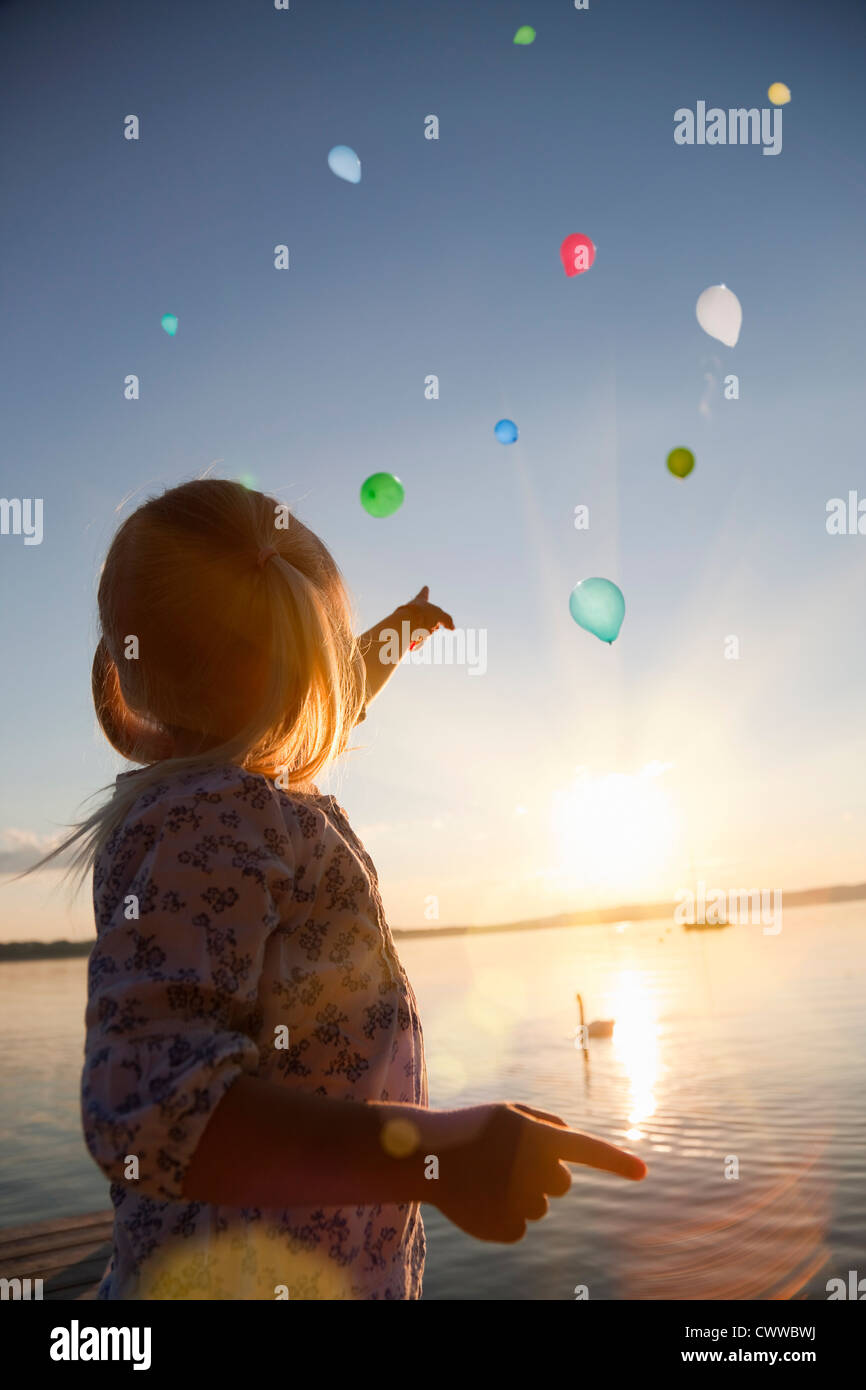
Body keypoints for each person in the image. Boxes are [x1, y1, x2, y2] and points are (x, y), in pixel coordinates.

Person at [40, 478, 646, 1299]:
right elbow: (154, 1109)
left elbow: (313, 702)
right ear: (304, 669)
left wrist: (389, 641)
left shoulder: (219, 802)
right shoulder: (216, 825)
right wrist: (439, 1153)